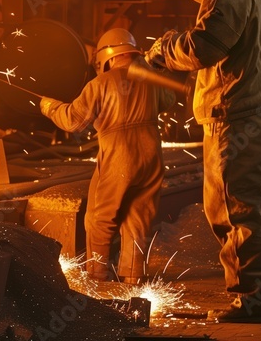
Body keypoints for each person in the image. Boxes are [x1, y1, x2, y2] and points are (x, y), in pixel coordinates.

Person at [146, 0, 261, 323]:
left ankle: (253, 301)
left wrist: (164, 48)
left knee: (236, 213)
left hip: (239, 117)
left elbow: (204, 47)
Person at [39, 28, 174, 284]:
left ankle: (97, 279)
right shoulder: (151, 78)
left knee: (100, 219)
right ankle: (133, 280)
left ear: (107, 57)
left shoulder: (100, 83)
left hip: (119, 154)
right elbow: (167, 101)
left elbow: (73, 121)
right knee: (137, 219)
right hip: (151, 154)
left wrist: (50, 107)